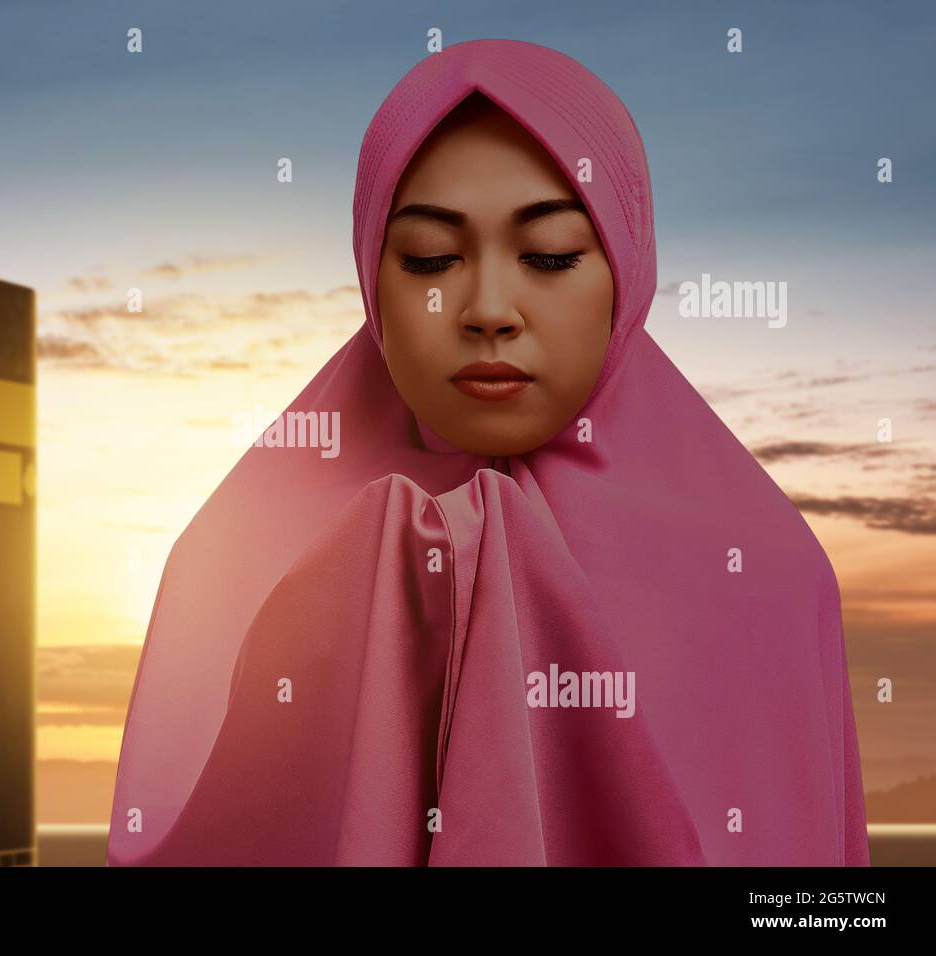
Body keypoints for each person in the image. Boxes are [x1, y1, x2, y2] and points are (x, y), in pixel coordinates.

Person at [107, 38, 870, 866]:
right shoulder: (236, 562)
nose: (488, 309)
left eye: (549, 257)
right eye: (431, 259)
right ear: (371, 277)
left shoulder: (763, 577)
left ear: (628, 267)